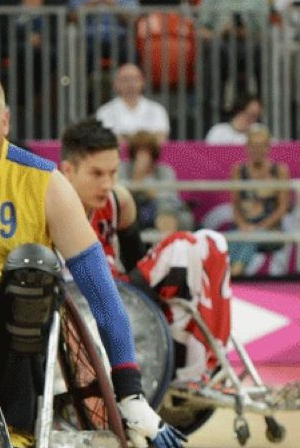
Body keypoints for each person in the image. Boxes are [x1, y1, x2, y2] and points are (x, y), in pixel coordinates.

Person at [0, 66, 187, 448]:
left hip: (13, 330)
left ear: (4, 123)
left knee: (32, 266)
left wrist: (131, 393)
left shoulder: (44, 182)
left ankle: (16, 427)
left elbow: (102, 297)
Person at [60, 118, 231, 387]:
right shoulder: (47, 206)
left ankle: (201, 368)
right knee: (182, 247)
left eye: (113, 173)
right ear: (68, 171)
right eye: (97, 174)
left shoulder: (119, 202)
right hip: (76, 303)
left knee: (211, 243)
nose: (108, 183)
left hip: (122, 296)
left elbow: (135, 264)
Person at [228, 125, 293, 276]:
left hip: (272, 231)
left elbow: (282, 208)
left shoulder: (280, 171)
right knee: (230, 239)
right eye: (254, 146)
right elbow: (235, 206)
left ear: (268, 147)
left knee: (251, 237)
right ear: (247, 147)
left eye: (262, 145)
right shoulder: (238, 170)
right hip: (242, 228)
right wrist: (244, 225)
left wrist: (258, 228)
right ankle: (228, 273)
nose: (257, 150)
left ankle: (235, 274)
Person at [117, 130, 189, 231]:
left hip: (158, 209)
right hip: (134, 210)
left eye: (147, 151)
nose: (142, 156)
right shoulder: (124, 168)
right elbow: (119, 194)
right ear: (133, 152)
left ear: (153, 152)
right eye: (139, 151)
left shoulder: (165, 170)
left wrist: (152, 193)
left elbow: (171, 197)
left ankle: (164, 243)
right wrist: (137, 177)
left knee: (177, 213)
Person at [95, 63, 171, 143]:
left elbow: (160, 137)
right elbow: (108, 140)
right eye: (125, 79)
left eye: (135, 79)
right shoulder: (104, 111)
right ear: (116, 84)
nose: (131, 84)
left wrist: (125, 137)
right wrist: (144, 139)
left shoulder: (157, 109)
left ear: (143, 82)